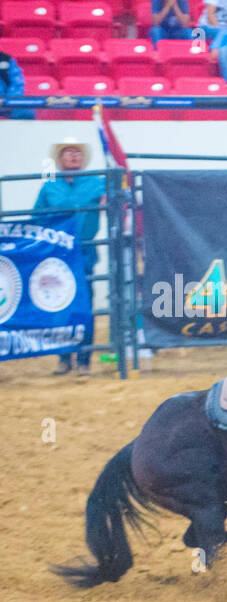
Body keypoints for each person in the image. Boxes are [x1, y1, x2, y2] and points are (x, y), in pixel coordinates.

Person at [36, 139, 105, 375]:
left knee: (84, 305)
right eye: (68, 152)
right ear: (60, 158)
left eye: (77, 152)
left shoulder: (97, 183)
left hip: (84, 250)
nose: (73, 156)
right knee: (60, 304)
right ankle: (64, 358)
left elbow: (117, 200)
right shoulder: (49, 186)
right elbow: (37, 217)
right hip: (58, 254)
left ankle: (84, 360)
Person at [0, 25, 34, 120]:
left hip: (4, 101)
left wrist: (8, 100)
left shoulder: (6, 60)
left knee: (24, 111)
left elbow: (17, 84)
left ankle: (23, 134)